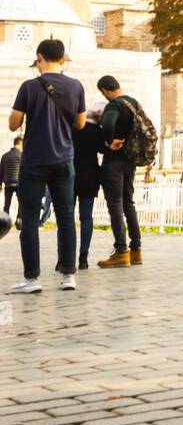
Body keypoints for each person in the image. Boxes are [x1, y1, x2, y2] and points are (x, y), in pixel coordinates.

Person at [8, 39, 85, 294]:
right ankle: (68, 275)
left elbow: (13, 123)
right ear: (62, 59)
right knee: (65, 217)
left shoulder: (29, 87)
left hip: (34, 161)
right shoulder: (76, 86)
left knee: (29, 218)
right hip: (63, 159)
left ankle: (32, 278)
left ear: (39, 57)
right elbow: (81, 123)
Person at [96, 75, 143, 268]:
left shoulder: (114, 105)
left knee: (115, 204)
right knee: (128, 203)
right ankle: (136, 250)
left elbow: (108, 123)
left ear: (105, 91)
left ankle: (121, 251)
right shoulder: (134, 103)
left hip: (114, 161)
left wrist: (109, 141)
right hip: (130, 161)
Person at [73, 109, 104, 269]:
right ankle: (83, 258)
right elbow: (102, 149)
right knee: (86, 217)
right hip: (89, 176)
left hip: (68, 175)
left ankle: (63, 257)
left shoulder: (69, 127)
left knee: (66, 218)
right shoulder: (95, 130)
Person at [1, 136, 22, 227]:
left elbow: (1, 171)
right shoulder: (22, 156)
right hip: (19, 183)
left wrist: (0, 184)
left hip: (8, 182)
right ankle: (19, 221)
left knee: (7, 204)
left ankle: (4, 223)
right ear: (20, 143)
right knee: (21, 202)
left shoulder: (5, 156)